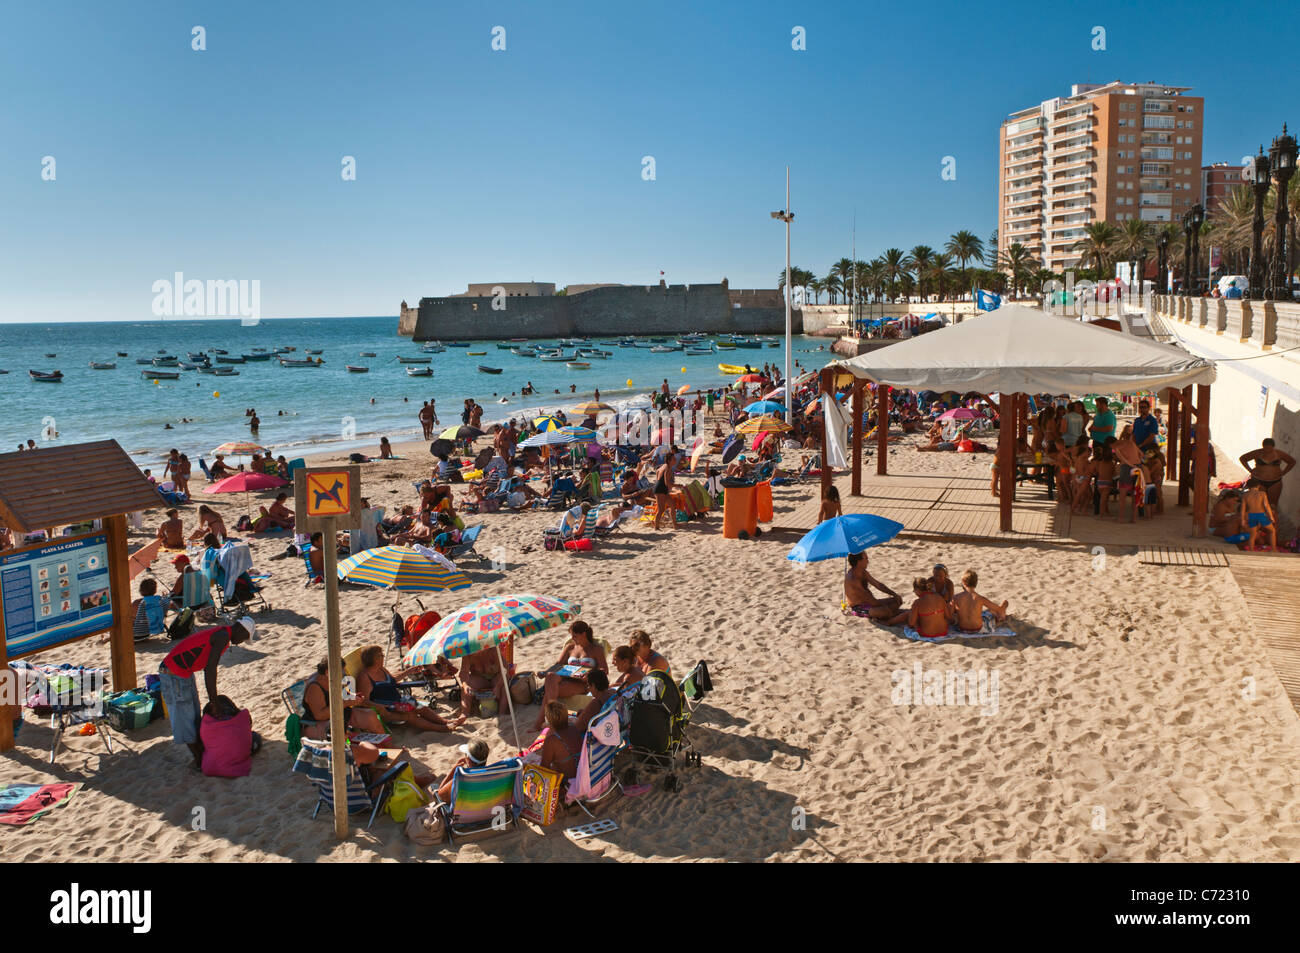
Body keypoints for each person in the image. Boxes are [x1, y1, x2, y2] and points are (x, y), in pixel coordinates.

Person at [159, 617, 256, 768]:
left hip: (183, 673)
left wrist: (214, 700)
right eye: (245, 638)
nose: (242, 641)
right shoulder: (223, 637)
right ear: (241, 629)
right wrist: (214, 701)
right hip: (173, 673)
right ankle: (199, 761)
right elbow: (210, 670)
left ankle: (201, 757)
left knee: (193, 716)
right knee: (185, 719)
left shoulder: (223, 634)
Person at [355, 645, 465, 732]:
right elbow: (365, 701)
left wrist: (410, 670)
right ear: (372, 659)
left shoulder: (381, 669)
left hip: (398, 701)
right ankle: (442, 728)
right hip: (386, 708)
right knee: (411, 715)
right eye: (380, 655)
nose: (383, 656)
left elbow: (393, 679)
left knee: (419, 706)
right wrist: (383, 707)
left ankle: (444, 721)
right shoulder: (364, 677)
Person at [533, 620, 607, 730]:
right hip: (566, 678)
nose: (572, 638)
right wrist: (544, 672)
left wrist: (590, 674)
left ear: (584, 634)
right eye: (571, 636)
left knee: (549, 690)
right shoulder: (570, 648)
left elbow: (604, 669)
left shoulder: (595, 649)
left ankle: (543, 721)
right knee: (550, 677)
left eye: (575, 636)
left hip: (583, 683)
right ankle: (550, 719)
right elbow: (558, 665)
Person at [301, 658, 385, 736]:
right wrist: (346, 703)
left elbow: (344, 694)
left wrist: (354, 697)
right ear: (327, 672)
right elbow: (319, 715)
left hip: (339, 714)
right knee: (337, 730)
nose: (343, 673)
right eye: (341, 671)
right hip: (318, 723)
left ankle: (388, 747)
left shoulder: (332, 677)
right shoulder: (315, 687)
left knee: (370, 715)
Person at [199, 695, 262, 778]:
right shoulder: (242, 716)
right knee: (255, 737)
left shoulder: (206, 724)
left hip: (210, 768)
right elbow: (248, 725)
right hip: (237, 768)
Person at [885, 577, 954, 638]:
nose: (914, 592)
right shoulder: (939, 598)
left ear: (917, 589)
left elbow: (911, 623)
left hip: (927, 633)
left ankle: (888, 622)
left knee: (908, 613)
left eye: (914, 590)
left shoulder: (917, 603)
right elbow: (948, 617)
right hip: (943, 631)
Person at [843, 551, 902, 620]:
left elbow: (878, 585)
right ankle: (882, 615)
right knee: (883, 611)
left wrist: (894, 594)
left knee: (898, 600)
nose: (868, 562)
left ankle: (883, 614)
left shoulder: (863, 572)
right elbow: (867, 598)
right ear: (859, 562)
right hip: (858, 607)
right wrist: (884, 607)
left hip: (870, 602)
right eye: (866, 559)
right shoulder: (852, 579)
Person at [1238, 438, 1295, 510]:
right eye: (1265, 449)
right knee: (1257, 504)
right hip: (1258, 481)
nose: (1267, 451)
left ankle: (1272, 520)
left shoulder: (1279, 453)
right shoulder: (1257, 453)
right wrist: (1250, 470)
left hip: (1275, 482)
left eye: (1270, 449)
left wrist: (1284, 472)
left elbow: (1292, 462)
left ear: (1273, 447)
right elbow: (1243, 458)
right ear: (1263, 447)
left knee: (1273, 505)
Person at [539, 700, 584, 787]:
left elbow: (544, 768)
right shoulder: (573, 727)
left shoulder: (551, 740)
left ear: (548, 720)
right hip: (582, 773)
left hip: (567, 780)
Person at [457, 647, 509, 720]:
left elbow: (505, 669)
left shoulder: (493, 650)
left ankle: (502, 714)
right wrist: (465, 685)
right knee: (466, 687)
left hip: (496, 676)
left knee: (504, 687)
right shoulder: (467, 654)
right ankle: (465, 713)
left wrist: (498, 686)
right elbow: (463, 673)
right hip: (479, 678)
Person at [1240, 479, 1278, 551]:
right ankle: (1274, 549)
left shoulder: (1245, 495)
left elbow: (1243, 509)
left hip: (1251, 515)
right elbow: (1266, 506)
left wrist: (1242, 520)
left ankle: (1251, 550)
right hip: (1261, 515)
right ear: (1258, 486)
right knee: (1272, 531)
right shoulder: (1262, 494)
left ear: (1248, 486)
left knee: (1252, 534)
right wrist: (1271, 517)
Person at [573, 668, 615, 733]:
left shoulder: (596, 703)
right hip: (612, 728)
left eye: (588, 686)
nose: (589, 689)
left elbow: (578, 727)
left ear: (593, 686)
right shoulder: (613, 693)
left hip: (598, 735)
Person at [131, 577, 168, 643]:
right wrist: (165, 597)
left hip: (136, 635)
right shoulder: (159, 601)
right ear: (155, 590)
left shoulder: (138, 603)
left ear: (141, 590)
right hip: (148, 632)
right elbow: (164, 611)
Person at [652, 448, 677, 531]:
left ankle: (675, 525)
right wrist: (678, 485)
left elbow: (657, 473)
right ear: (669, 461)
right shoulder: (668, 469)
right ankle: (656, 527)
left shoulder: (663, 466)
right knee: (661, 509)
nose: (675, 460)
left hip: (660, 488)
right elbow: (667, 483)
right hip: (660, 490)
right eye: (674, 459)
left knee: (672, 505)